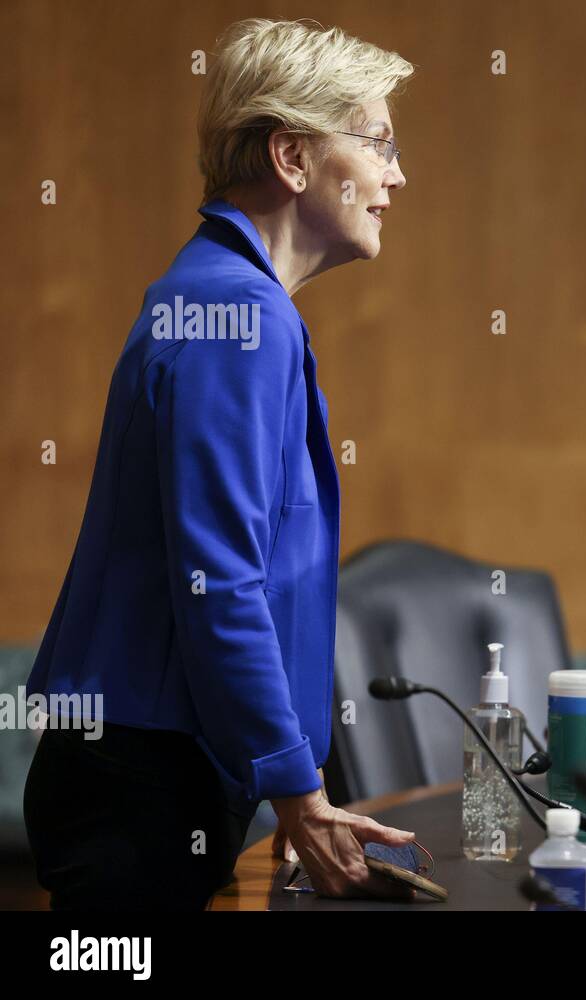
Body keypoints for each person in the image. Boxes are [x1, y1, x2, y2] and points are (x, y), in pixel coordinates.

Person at [24, 18, 417, 909]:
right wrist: (297, 789)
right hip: (139, 787)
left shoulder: (220, 297)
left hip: (149, 773)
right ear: (291, 156)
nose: (397, 176)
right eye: (380, 143)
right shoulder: (236, 317)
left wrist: (280, 775)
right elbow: (222, 577)